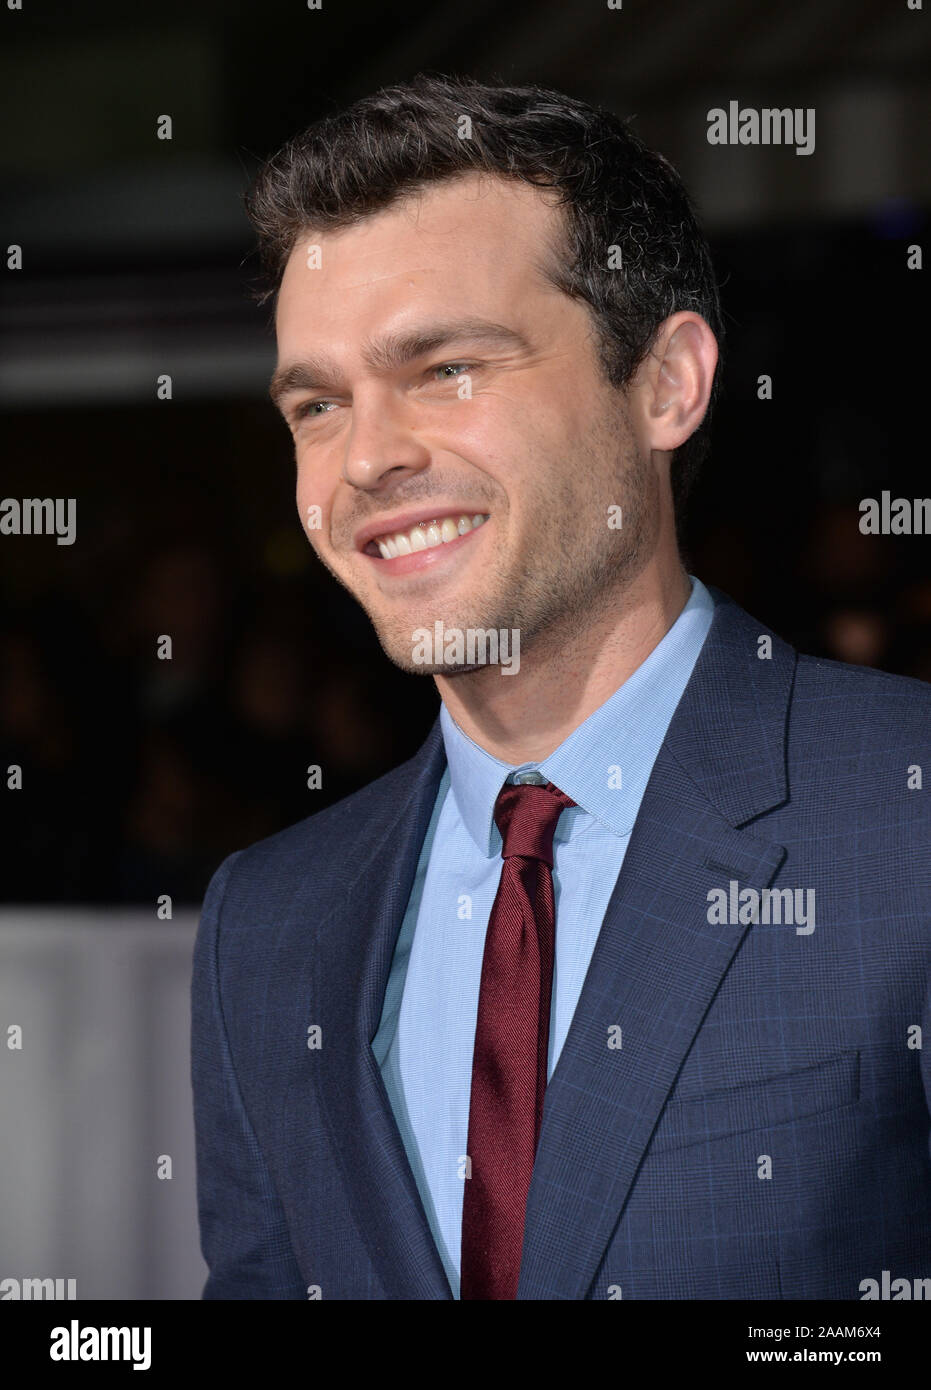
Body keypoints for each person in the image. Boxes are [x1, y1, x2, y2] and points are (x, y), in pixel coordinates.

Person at [191, 73, 931, 1300]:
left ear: (666, 383)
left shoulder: (900, 822)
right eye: (317, 403)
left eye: (447, 369)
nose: (367, 456)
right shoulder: (267, 928)